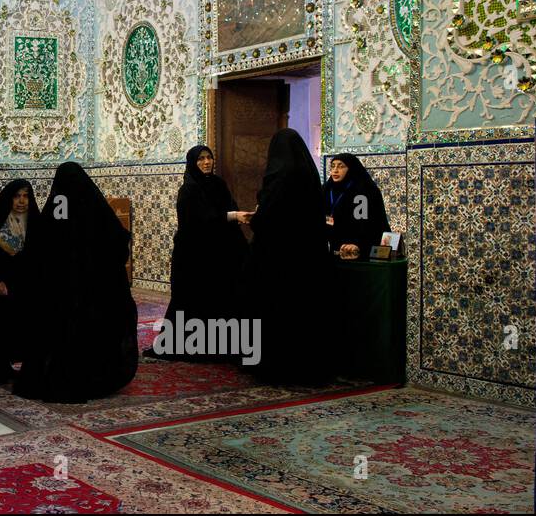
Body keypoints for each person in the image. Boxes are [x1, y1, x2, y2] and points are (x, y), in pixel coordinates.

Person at [15, 162, 138, 403]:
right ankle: (94, 375)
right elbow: (117, 241)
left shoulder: (54, 212)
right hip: (92, 293)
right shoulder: (95, 209)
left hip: (59, 295)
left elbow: (39, 253)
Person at [240, 128, 334, 386]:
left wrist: (255, 219)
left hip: (278, 261)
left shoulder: (279, 177)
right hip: (308, 260)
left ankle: (276, 367)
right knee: (304, 315)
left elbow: (269, 219)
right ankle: (307, 367)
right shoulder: (310, 176)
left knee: (278, 313)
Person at [149, 144, 251, 360]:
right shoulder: (188, 190)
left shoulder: (218, 184)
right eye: (201, 159)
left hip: (219, 255)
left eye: (209, 158)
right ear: (193, 163)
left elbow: (228, 208)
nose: (206, 162)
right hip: (194, 256)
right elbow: (198, 222)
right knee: (194, 299)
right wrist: (232, 216)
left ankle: (222, 344)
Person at [0, 179, 43, 384]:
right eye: (17, 196)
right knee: (0, 327)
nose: (21, 201)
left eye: (25, 196)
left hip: (25, 284)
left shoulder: (35, 222)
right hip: (1, 285)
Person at [324, 153, 391, 259]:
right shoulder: (327, 189)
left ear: (351, 169)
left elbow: (369, 224)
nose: (335, 170)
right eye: (333, 166)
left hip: (359, 252)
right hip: (334, 251)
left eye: (341, 166)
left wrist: (359, 245)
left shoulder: (364, 190)